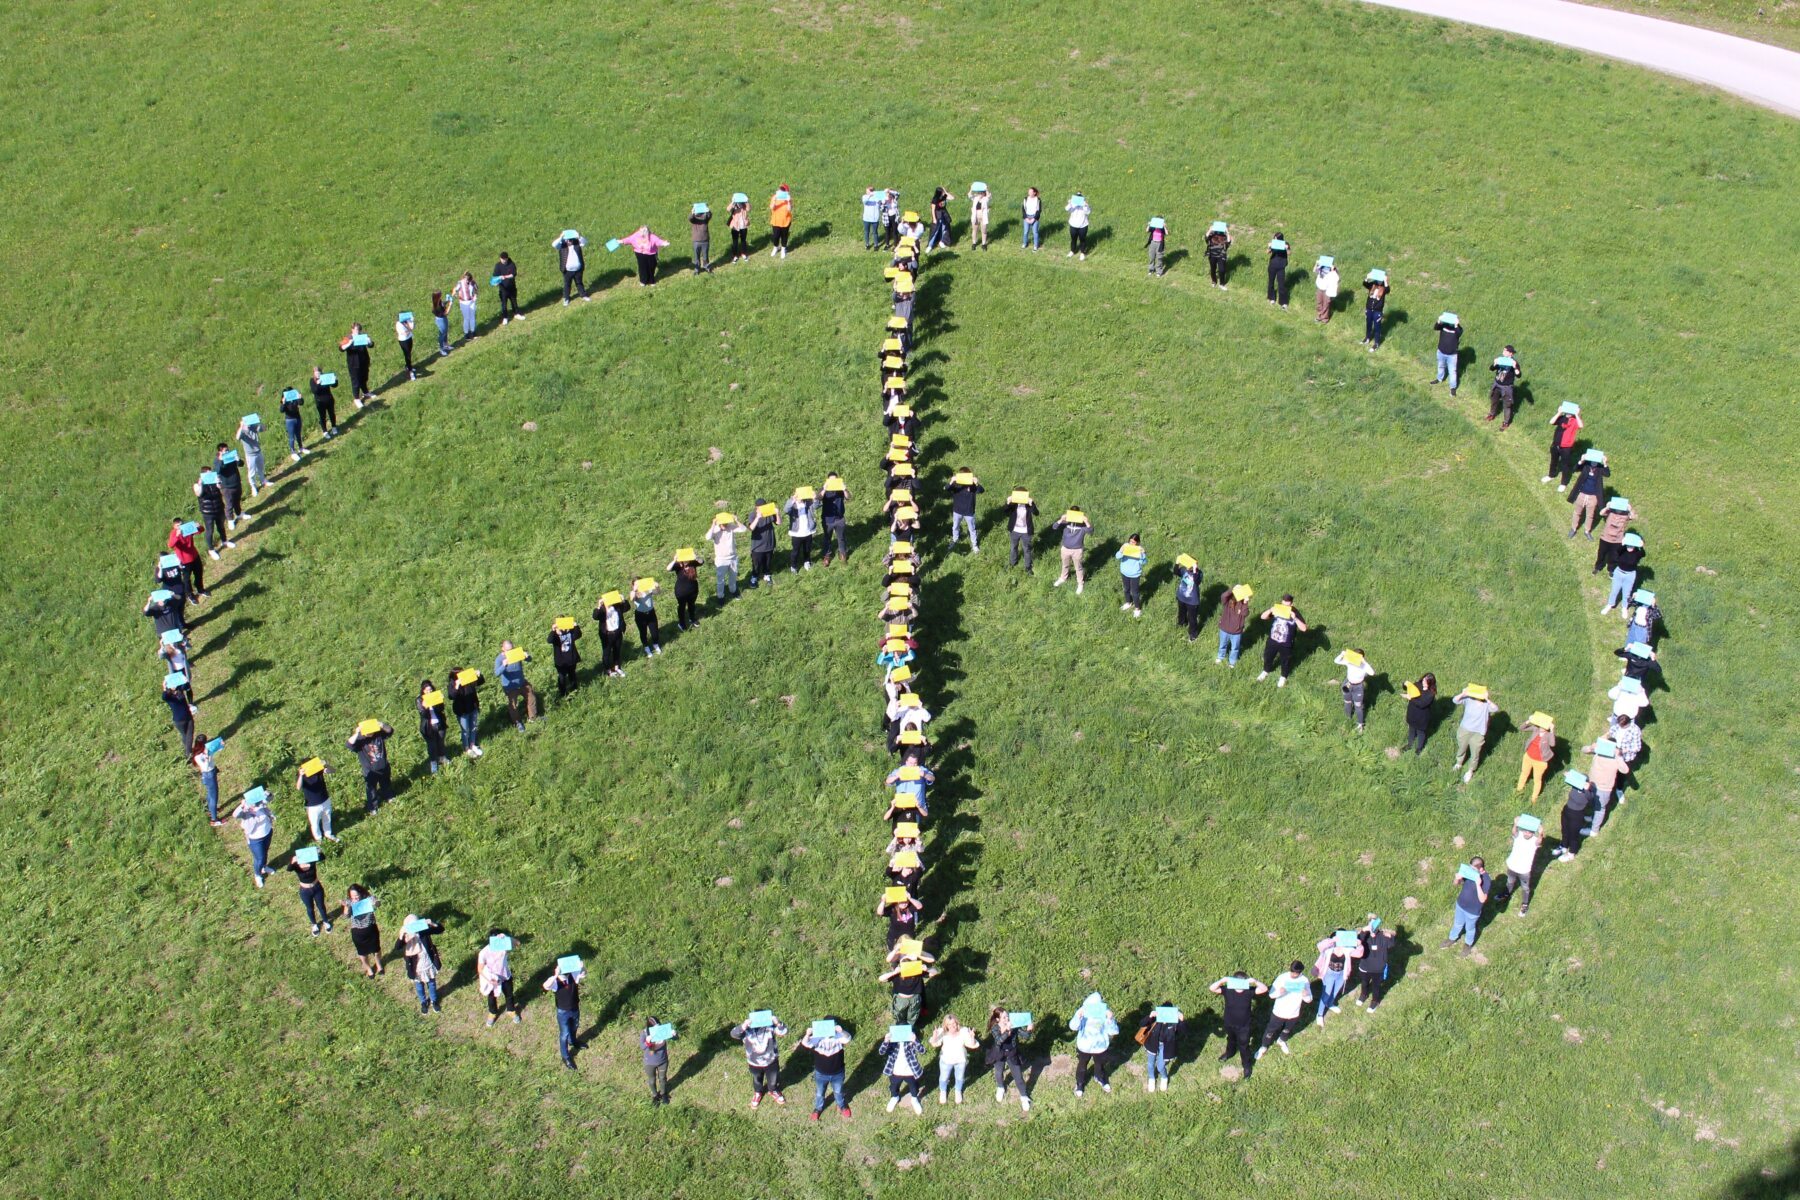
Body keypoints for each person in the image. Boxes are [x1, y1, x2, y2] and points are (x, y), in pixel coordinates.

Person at [1209, 973, 1267, 1077]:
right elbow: (1212, 988)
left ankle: (1246, 1066)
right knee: (1231, 1039)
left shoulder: (1249, 991)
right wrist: (1222, 980)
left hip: (1244, 1026)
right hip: (1229, 1023)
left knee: (1244, 1046)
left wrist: (1255, 981)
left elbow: (1264, 989)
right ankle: (1229, 1053)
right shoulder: (1228, 990)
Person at [729, 1010, 788, 1107]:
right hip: (754, 1063)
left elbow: (783, 1031)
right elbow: (733, 1034)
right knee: (757, 1079)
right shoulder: (747, 1030)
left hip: (771, 1061)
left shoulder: (770, 1027)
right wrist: (744, 1025)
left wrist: (778, 1023)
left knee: (773, 1080)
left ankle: (773, 1090)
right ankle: (758, 1092)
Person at [1255, 964, 1312, 1059]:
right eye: (1292, 972)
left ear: (1300, 972)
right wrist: (1279, 992)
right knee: (1270, 1030)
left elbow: (1309, 999)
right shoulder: (1282, 978)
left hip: (1294, 1013)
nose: (1293, 975)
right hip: (1279, 1012)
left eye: (1296, 973)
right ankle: (1264, 1046)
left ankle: (1281, 1040)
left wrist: (1305, 995)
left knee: (1287, 1030)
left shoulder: (1304, 980)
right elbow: (1271, 995)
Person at [800, 1019, 852, 1119]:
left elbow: (848, 1038)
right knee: (820, 1093)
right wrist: (807, 1034)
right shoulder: (816, 1038)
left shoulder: (838, 1036)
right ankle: (818, 1108)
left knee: (838, 1091)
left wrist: (841, 1031)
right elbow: (805, 1043)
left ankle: (842, 1106)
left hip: (838, 1073)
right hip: (821, 1073)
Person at [1069, 992, 1117, 1097]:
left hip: (1100, 1047)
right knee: (1082, 1066)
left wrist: (1110, 1019)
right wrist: (1078, 1017)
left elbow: (1113, 1031)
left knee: (1100, 1065)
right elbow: (1073, 1027)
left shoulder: (1104, 1013)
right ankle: (1080, 1084)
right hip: (1084, 1047)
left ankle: (1099, 1077)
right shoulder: (1082, 1012)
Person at [1580, 735, 1629, 837]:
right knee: (1593, 803)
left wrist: (1618, 756)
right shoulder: (1599, 751)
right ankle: (1593, 818)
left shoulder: (1616, 757)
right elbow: (1583, 750)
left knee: (1600, 809)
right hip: (1592, 785)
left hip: (1604, 789)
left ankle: (1594, 831)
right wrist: (1591, 748)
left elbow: (1625, 770)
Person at [1448, 684, 1499, 782]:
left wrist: (1487, 699)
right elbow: (1455, 700)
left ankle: (1470, 770)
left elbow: (1496, 709)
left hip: (1478, 733)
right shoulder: (1468, 699)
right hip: (1465, 729)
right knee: (1462, 747)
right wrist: (1463, 694)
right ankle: (1459, 763)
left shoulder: (1486, 704)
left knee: (1475, 753)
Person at [984, 1008, 1032, 1110]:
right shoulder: (995, 1028)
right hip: (999, 1053)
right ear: (998, 1019)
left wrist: (1029, 1029)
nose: (1007, 1019)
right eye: (1004, 1017)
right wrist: (1007, 1031)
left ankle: (1024, 1097)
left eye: (1007, 1016)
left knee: (1018, 1076)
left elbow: (1025, 1036)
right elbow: (999, 1041)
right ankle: (1000, 1087)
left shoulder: (1013, 1024)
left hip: (1012, 1053)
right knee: (998, 1072)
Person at [1256, 595, 1308, 687]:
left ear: (1291, 604)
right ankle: (1266, 671)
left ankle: (1283, 677)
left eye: (1287, 605)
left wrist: (1295, 618)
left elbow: (1304, 629)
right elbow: (1263, 617)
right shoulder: (1278, 608)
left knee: (1285, 661)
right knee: (1268, 657)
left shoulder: (1295, 612)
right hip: (1272, 640)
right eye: (1283, 604)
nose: (1284, 607)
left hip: (1286, 643)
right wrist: (1270, 610)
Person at [1312, 931, 1363, 1022]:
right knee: (1326, 994)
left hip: (1341, 974)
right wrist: (1332, 940)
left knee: (1335, 992)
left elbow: (1359, 954)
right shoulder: (1329, 949)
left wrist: (1359, 945)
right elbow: (1320, 946)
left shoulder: (1347, 949)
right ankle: (1319, 1014)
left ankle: (1330, 1004)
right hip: (1329, 974)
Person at [1443, 858, 1490, 955]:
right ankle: (1452, 938)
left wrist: (1478, 884)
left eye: (1473, 869)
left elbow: (1483, 899)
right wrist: (1457, 878)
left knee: (1470, 928)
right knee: (1457, 924)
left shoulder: (1486, 880)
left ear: (1481, 869)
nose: (1470, 870)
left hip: (1472, 912)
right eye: (1470, 867)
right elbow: (1456, 884)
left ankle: (1468, 944)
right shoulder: (1470, 872)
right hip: (1460, 905)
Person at [544, 957, 584, 1068]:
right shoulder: (555, 981)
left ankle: (573, 1041)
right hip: (563, 1012)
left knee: (575, 1026)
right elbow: (546, 986)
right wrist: (556, 975)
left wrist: (581, 967)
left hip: (575, 1007)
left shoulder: (573, 975)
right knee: (564, 1033)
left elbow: (583, 974)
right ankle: (565, 1056)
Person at [346, 719, 394, 813]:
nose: (370, 733)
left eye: (372, 731)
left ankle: (388, 796)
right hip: (370, 771)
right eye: (368, 732)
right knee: (371, 789)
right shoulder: (359, 740)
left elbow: (390, 731)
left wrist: (382, 725)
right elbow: (348, 744)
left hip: (383, 766)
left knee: (386, 783)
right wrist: (357, 733)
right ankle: (372, 807)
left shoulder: (378, 734)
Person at [231, 788, 275, 888]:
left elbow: (271, 798)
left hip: (267, 832)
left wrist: (267, 793)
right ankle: (258, 875)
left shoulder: (260, 803)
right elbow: (235, 815)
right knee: (259, 858)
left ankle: (264, 867)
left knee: (265, 852)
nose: (253, 804)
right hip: (255, 839)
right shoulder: (245, 810)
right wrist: (242, 805)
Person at [878, 1025, 926, 1114]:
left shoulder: (910, 1042)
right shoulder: (892, 1042)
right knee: (894, 1086)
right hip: (895, 1071)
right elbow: (881, 1052)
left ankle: (914, 1099)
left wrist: (915, 1041)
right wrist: (886, 1041)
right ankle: (894, 1097)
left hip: (909, 1071)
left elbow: (922, 1051)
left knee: (913, 1086)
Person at [878, 957, 938, 1028]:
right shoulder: (898, 975)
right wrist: (894, 972)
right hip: (900, 1000)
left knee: (913, 1015)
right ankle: (899, 1027)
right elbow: (881, 978)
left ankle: (910, 1028)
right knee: (899, 1015)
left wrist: (927, 969)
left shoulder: (917, 973)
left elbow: (935, 972)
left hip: (914, 999)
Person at [477, 933, 521, 1026]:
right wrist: (489, 980)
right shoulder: (484, 952)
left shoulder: (504, 946)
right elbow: (480, 969)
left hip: (505, 976)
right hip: (492, 980)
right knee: (491, 998)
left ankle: (511, 1010)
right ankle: (492, 1013)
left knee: (509, 995)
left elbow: (518, 943)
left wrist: (507, 938)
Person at [1502, 816, 1543, 915]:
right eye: (1525, 831)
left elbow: (1539, 841)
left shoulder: (1535, 840)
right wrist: (1515, 824)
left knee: (1525, 888)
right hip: (1512, 866)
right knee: (1510, 881)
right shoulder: (1519, 834)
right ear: (1523, 830)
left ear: (1533, 833)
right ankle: (1506, 894)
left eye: (1530, 832)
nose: (1527, 834)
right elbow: (1514, 832)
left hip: (1524, 870)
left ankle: (1525, 904)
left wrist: (1541, 833)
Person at [1137, 1004, 1184, 1092]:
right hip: (1152, 1043)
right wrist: (1150, 1016)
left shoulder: (1174, 1022)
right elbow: (1142, 1024)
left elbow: (1184, 1031)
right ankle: (1151, 1078)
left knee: (1160, 1066)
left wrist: (1181, 1020)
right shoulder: (1156, 1018)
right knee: (1150, 1064)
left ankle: (1164, 1077)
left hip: (1166, 1046)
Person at [494, 640, 540, 728]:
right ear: (503, 649)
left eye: (512, 649)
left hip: (522, 682)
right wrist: (504, 665)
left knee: (531, 697)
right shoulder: (499, 659)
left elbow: (530, 659)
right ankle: (517, 722)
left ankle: (532, 718)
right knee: (513, 705)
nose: (511, 651)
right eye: (508, 650)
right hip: (511, 686)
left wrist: (527, 656)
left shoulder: (516, 653)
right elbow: (496, 673)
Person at [1354, 918, 1397, 1010]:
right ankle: (1364, 995)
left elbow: (1391, 944)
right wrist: (1363, 930)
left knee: (1376, 986)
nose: (1372, 932)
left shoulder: (1383, 936)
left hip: (1378, 969)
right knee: (1364, 983)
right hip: (1365, 967)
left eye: (1374, 929)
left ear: (1378, 928)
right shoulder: (1364, 936)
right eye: (1371, 929)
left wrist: (1391, 936)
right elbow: (1357, 941)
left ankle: (1375, 1001)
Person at [1567, 450, 1610, 539]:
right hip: (1581, 494)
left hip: (1593, 496)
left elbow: (1607, 474)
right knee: (1577, 512)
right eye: (1592, 460)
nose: (1594, 462)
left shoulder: (1600, 467)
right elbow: (1575, 469)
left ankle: (1587, 531)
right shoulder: (1585, 465)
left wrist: (1605, 463)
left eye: (1596, 460)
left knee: (1590, 515)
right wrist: (1581, 461)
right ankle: (1573, 529)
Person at [1555, 770, 1596, 862]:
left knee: (1574, 835)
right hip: (1567, 810)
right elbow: (1565, 774)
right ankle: (1564, 845)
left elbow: (1591, 797)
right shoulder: (1575, 785)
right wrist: (1569, 774)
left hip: (1577, 815)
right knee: (1565, 830)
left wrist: (1588, 788)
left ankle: (1571, 853)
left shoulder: (1589, 791)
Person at [192, 468, 233, 561]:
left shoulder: (215, 481)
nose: (211, 475)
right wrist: (201, 484)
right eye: (208, 474)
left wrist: (218, 482)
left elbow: (221, 488)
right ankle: (211, 550)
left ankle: (224, 541)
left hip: (219, 508)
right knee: (210, 531)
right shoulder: (197, 485)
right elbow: (199, 494)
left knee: (221, 526)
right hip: (208, 512)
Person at [288, 847, 330, 935]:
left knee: (321, 906)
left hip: (317, 887)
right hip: (305, 891)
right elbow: (289, 869)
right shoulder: (296, 865)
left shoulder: (311, 861)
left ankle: (326, 921)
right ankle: (314, 925)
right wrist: (293, 861)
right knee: (310, 908)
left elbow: (323, 857)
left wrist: (319, 852)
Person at [1515, 712, 1556, 802]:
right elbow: (1521, 728)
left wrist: (1552, 730)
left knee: (1537, 780)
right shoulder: (1535, 729)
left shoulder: (1548, 735)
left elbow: (1552, 744)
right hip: (1528, 757)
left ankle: (1534, 798)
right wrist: (1529, 721)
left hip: (1540, 762)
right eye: (1541, 725)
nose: (1541, 728)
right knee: (1524, 773)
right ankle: (1519, 790)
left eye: (1544, 726)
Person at [296, 756, 339, 839]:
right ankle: (318, 838)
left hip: (325, 799)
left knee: (327, 819)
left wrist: (326, 765)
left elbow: (333, 770)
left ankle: (328, 834)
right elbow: (298, 787)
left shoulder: (318, 770)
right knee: (315, 824)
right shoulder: (302, 775)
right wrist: (300, 775)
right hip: (312, 805)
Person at [343, 884, 382, 976]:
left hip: (371, 930)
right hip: (358, 933)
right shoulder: (349, 902)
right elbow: (346, 916)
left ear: (360, 893)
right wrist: (347, 908)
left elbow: (378, 904)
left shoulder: (368, 899)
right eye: (352, 896)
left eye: (356, 896)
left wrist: (376, 903)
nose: (355, 898)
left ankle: (379, 965)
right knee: (363, 953)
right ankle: (369, 969)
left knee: (376, 950)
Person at [1594, 497, 1639, 575]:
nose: (1619, 510)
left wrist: (1630, 509)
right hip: (1605, 537)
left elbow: (1634, 517)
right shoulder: (1610, 511)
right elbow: (1601, 513)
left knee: (1614, 556)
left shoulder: (1626, 514)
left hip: (1618, 540)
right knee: (1601, 554)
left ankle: (1611, 570)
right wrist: (1607, 507)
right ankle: (1598, 567)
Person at [1334, 648, 1377, 730]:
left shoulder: (1364, 665)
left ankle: (1360, 724)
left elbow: (1372, 673)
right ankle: (1348, 719)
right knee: (1347, 702)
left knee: (1358, 706)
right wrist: (1342, 654)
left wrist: (1364, 661)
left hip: (1358, 687)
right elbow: (1336, 661)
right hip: (1348, 684)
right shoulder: (1349, 662)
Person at [707, 512, 748, 598]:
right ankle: (720, 596)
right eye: (723, 524)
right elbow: (708, 537)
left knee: (733, 577)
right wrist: (713, 525)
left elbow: (744, 529)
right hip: (721, 559)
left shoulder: (731, 526)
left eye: (726, 523)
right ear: (719, 523)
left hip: (733, 558)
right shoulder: (715, 529)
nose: (725, 525)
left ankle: (733, 590)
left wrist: (737, 520)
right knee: (720, 580)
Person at [1051, 505, 1092, 592]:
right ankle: (1063, 578)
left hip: (1077, 550)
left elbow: (1091, 531)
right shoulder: (1066, 522)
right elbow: (1054, 527)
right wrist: (1061, 519)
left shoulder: (1082, 524)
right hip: (1065, 548)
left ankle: (1080, 583)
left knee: (1078, 567)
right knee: (1065, 565)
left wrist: (1086, 521)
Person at [1603, 533, 1646, 614]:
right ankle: (1610, 604)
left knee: (1627, 593)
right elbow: (1617, 550)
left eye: (1631, 546)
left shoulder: (1637, 553)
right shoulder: (1622, 549)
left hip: (1630, 575)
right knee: (1614, 591)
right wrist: (1622, 543)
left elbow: (1643, 554)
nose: (1629, 547)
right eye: (1628, 545)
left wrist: (1641, 546)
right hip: (1619, 573)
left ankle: (1624, 607)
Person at [1544, 402, 1584, 489]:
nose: (1568, 414)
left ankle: (1563, 483)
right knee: (1553, 461)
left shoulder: (1575, 420)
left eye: (1571, 412)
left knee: (1565, 465)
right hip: (1556, 444)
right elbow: (1551, 422)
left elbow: (1581, 426)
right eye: (1567, 411)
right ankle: (1551, 475)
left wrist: (1577, 414)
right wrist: (1559, 412)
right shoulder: (1561, 417)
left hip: (1566, 447)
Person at [416, 680, 451, 773]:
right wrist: (425, 706)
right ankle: (433, 762)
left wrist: (440, 701)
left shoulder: (435, 695)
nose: (429, 692)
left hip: (439, 723)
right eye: (427, 690)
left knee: (441, 742)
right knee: (432, 745)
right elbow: (423, 714)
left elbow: (441, 709)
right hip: (428, 726)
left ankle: (442, 757)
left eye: (430, 690)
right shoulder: (419, 699)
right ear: (423, 690)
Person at [593, 590, 628, 678]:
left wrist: (623, 600)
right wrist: (599, 606)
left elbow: (627, 608)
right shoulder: (602, 609)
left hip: (617, 632)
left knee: (617, 650)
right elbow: (595, 616)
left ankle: (617, 667)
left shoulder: (617, 606)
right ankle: (608, 670)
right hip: (607, 635)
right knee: (607, 653)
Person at [448, 667, 483, 756]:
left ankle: (472, 745)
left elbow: (480, 682)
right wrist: (456, 686)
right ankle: (466, 749)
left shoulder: (468, 678)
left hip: (472, 707)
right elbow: (451, 696)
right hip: (462, 711)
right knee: (465, 730)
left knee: (473, 727)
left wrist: (479, 675)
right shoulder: (452, 683)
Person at [213, 443, 247, 532]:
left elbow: (241, 464)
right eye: (225, 450)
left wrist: (238, 459)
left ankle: (239, 513)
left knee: (237, 500)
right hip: (226, 487)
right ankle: (230, 520)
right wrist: (221, 460)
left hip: (236, 483)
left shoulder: (231, 457)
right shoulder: (217, 460)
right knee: (229, 504)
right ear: (220, 452)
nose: (227, 451)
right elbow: (217, 471)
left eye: (228, 449)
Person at [947, 468, 982, 552]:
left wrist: (977, 483)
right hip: (957, 511)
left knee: (972, 529)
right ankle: (955, 540)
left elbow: (981, 490)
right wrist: (951, 481)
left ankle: (974, 545)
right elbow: (946, 488)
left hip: (969, 512)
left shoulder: (972, 485)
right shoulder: (956, 485)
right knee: (955, 527)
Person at [162, 669, 197, 753]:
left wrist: (185, 680)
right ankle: (188, 753)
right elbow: (164, 697)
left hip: (188, 716)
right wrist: (164, 688)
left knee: (188, 735)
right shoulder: (169, 697)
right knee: (186, 736)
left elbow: (186, 687)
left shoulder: (179, 691)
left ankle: (188, 752)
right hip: (179, 720)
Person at [1216, 584, 1251, 666]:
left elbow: (1245, 613)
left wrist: (1245, 603)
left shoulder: (1243, 604)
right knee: (1222, 645)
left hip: (1236, 632)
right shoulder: (1227, 601)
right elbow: (1223, 596)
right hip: (1224, 629)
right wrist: (1232, 589)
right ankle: (1220, 657)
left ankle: (1232, 662)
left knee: (1235, 648)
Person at [1487, 346, 1523, 427]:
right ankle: (1492, 414)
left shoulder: (1514, 362)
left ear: (1511, 353)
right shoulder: (1500, 360)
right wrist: (1494, 363)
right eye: (1503, 350)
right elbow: (1491, 369)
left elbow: (1519, 375)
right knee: (1494, 400)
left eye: (1505, 351)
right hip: (1497, 384)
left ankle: (1506, 422)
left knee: (1507, 405)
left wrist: (1515, 367)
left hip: (1507, 387)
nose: (1503, 352)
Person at [1004, 488, 1038, 571]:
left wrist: (1032, 504)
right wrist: (1008, 502)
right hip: (1015, 530)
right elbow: (1005, 512)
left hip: (1026, 531)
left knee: (1027, 549)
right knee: (1013, 547)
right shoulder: (1013, 504)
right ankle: (1013, 563)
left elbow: (1036, 513)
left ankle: (1028, 567)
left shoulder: (1028, 505)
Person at [819, 474, 850, 564]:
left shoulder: (840, 489)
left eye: (835, 480)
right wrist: (824, 489)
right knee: (827, 538)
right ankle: (827, 555)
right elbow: (818, 498)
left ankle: (842, 553)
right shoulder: (824, 489)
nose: (833, 482)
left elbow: (848, 497)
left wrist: (844, 489)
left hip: (839, 518)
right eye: (831, 480)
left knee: (841, 537)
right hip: (827, 519)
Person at [747, 500, 780, 585]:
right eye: (760, 507)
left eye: (764, 506)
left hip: (769, 543)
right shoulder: (753, 515)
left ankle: (767, 575)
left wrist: (777, 513)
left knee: (768, 562)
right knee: (756, 564)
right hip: (757, 546)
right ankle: (754, 577)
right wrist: (758, 518)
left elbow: (778, 523)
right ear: (756, 507)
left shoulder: (769, 513)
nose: (763, 508)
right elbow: (751, 528)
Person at [784, 487, 818, 571]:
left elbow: (817, 505)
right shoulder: (793, 504)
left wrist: (815, 498)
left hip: (808, 531)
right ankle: (793, 566)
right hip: (797, 533)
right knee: (795, 551)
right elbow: (786, 510)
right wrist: (793, 500)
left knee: (807, 549)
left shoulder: (808, 502)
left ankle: (807, 561)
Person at [547, 616, 582, 695]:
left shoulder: (570, 632)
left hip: (571, 659)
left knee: (572, 674)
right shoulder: (555, 635)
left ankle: (574, 689)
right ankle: (563, 692)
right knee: (562, 677)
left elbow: (578, 635)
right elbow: (549, 640)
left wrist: (576, 626)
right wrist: (553, 631)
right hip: (561, 661)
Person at [668, 549, 701, 631]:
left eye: (687, 559)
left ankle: (692, 619)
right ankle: (681, 623)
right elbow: (668, 569)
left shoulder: (693, 563)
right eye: (684, 559)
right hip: (681, 592)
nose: (686, 561)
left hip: (693, 590)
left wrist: (696, 557)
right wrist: (674, 560)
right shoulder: (678, 565)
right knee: (682, 607)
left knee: (692, 605)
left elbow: (701, 562)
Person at [191, 736, 221, 825]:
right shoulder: (198, 756)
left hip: (210, 773)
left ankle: (210, 809)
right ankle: (214, 820)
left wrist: (219, 745)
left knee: (210, 794)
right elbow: (206, 766)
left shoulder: (203, 751)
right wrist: (207, 754)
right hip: (209, 775)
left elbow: (215, 749)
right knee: (214, 797)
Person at [1431, 312, 1463, 395]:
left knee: (1452, 371)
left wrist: (1456, 325)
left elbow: (1459, 333)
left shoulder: (1458, 329)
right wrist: (1439, 321)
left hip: (1452, 355)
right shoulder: (1444, 325)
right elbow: (1435, 328)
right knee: (1440, 366)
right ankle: (1439, 379)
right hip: (1441, 351)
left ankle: (1453, 388)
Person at [629, 578, 663, 657]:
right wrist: (634, 590)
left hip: (651, 613)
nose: (638, 585)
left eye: (639, 583)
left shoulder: (648, 589)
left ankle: (655, 644)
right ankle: (646, 647)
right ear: (633, 585)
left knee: (655, 632)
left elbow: (658, 592)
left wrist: (657, 586)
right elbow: (631, 598)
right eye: (636, 584)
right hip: (640, 615)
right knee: (643, 632)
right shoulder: (633, 593)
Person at [234, 413, 266, 499]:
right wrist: (241, 426)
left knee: (261, 468)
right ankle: (253, 487)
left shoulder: (253, 427)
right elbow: (237, 437)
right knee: (252, 472)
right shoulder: (242, 432)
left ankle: (263, 481)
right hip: (250, 455)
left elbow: (264, 428)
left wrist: (259, 421)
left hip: (258, 451)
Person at [1114, 534, 1146, 617]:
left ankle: (1137, 608)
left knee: (1135, 592)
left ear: (1137, 542)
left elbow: (1143, 562)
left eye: (1134, 542)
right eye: (1130, 541)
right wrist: (1121, 550)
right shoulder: (1126, 546)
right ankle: (1128, 602)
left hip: (1135, 574)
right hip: (1124, 572)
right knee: (1126, 589)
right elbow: (1117, 556)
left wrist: (1142, 554)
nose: (1131, 543)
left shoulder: (1139, 549)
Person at [642, 1018, 672, 1105]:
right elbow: (642, 1047)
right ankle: (655, 1096)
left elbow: (675, 1038)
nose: (658, 1028)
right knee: (652, 1080)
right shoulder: (644, 1033)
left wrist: (674, 1034)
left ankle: (663, 1094)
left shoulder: (662, 1031)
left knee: (662, 1078)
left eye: (659, 1026)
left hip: (663, 1060)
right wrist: (647, 1042)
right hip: (650, 1063)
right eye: (655, 1027)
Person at [553, 231, 590, 303]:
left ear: (572, 240)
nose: (568, 241)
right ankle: (566, 298)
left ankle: (583, 295)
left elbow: (585, 242)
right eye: (566, 240)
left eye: (570, 240)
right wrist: (561, 237)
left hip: (578, 269)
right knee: (567, 285)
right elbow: (554, 244)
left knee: (579, 283)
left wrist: (579, 236)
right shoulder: (562, 246)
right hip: (567, 270)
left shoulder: (577, 244)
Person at [1173, 554, 1203, 641]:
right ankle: (1182, 623)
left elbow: (1196, 581)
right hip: (1181, 597)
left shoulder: (1199, 573)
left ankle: (1193, 634)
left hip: (1192, 601)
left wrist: (1194, 570)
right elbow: (1176, 572)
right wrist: (1177, 563)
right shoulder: (1184, 570)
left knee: (1192, 618)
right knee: (1181, 612)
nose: (1188, 567)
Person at [339, 326, 371, 405]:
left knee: (364, 377)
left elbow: (371, 345)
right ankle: (356, 398)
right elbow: (341, 348)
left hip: (363, 361)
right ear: (352, 330)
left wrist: (369, 342)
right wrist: (349, 343)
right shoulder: (348, 338)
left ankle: (366, 392)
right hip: (354, 364)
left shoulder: (362, 336)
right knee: (356, 381)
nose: (358, 331)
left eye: (359, 329)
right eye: (356, 329)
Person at [310, 365, 340, 438]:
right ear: (313, 373)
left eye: (319, 372)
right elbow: (314, 391)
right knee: (322, 416)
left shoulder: (325, 377)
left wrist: (335, 380)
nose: (317, 374)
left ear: (321, 372)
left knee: (332, 414)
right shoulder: (312, 381)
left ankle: (334, 427)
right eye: (316, 373)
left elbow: (334, 385)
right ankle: (325, 431)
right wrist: (318, 384)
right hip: (320, 402)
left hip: (329, 400)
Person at [926, 184, 957, 252]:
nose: (943, 193)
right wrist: (934, 219)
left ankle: (942, 241)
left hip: (944, 214)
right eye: (942, 192)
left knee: (944, 228)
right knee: (935, 230)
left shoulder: (944, 196)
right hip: (937, 215)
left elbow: (952, 198)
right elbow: (933, 210)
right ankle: (930, 245)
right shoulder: (935, 199)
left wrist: (945, 192)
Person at [1361, 268, 1387, 349]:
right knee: (1368, 325)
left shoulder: (1384, 287)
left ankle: (1376, 343)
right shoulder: (1373, 284)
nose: (1378, 281)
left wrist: (1386, 281)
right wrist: (1367, 277)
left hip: (1377, 311)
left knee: (1377, 328)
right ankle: (1367, 338)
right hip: (1369, 309)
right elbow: (1364, 284)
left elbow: (1388, 290)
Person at [279, 386, 307, 461]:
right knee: (291, 437)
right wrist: (283, 403)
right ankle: (293, 452)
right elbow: (281, 410)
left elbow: (301, 403)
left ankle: (301, 448)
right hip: (289, 420)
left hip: (297, 418)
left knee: (298, 435)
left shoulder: (295, 398)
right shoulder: (284, 400)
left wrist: (300, 398)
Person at [494, 252, 522, 324]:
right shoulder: (497, 266)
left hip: (512, 287)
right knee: (504, 304)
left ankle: (516, 314)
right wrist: (496, 282)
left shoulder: (511, 264)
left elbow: (513, 274)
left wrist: (505, 277)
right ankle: (505, 317)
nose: (504, 260)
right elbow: (495, 277)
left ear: (507, 258)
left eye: (505, 259)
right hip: (503, 289)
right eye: (502, 259)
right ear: (500, 258)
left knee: (514, 301)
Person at [768, 185, 793, 258]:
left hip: (786, 221)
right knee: (776, 236)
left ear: (786, 191)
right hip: (776, 221)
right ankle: (775, 248)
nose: (781, 190)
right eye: (780, 189)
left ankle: (783, 249)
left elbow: (789, 209)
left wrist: (788, 201)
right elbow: (771, 207)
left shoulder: (788, 198)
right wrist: (775, 199)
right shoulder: (774, 197)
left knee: (784, 236)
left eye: (783, 189)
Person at [1266, 232, 1291, 307]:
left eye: (1276, 239)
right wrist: (1269, 247)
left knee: (1281, 284)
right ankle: (1271, 298)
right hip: (1272, 265)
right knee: (1271, 282)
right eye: (1274, 238)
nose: (1275, 240)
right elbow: (1267, 252)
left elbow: (1289, 253)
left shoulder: (1285, 243)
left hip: (1281, 267)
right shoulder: (1273, 243)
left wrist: (1287, 248)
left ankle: (1283, 302)